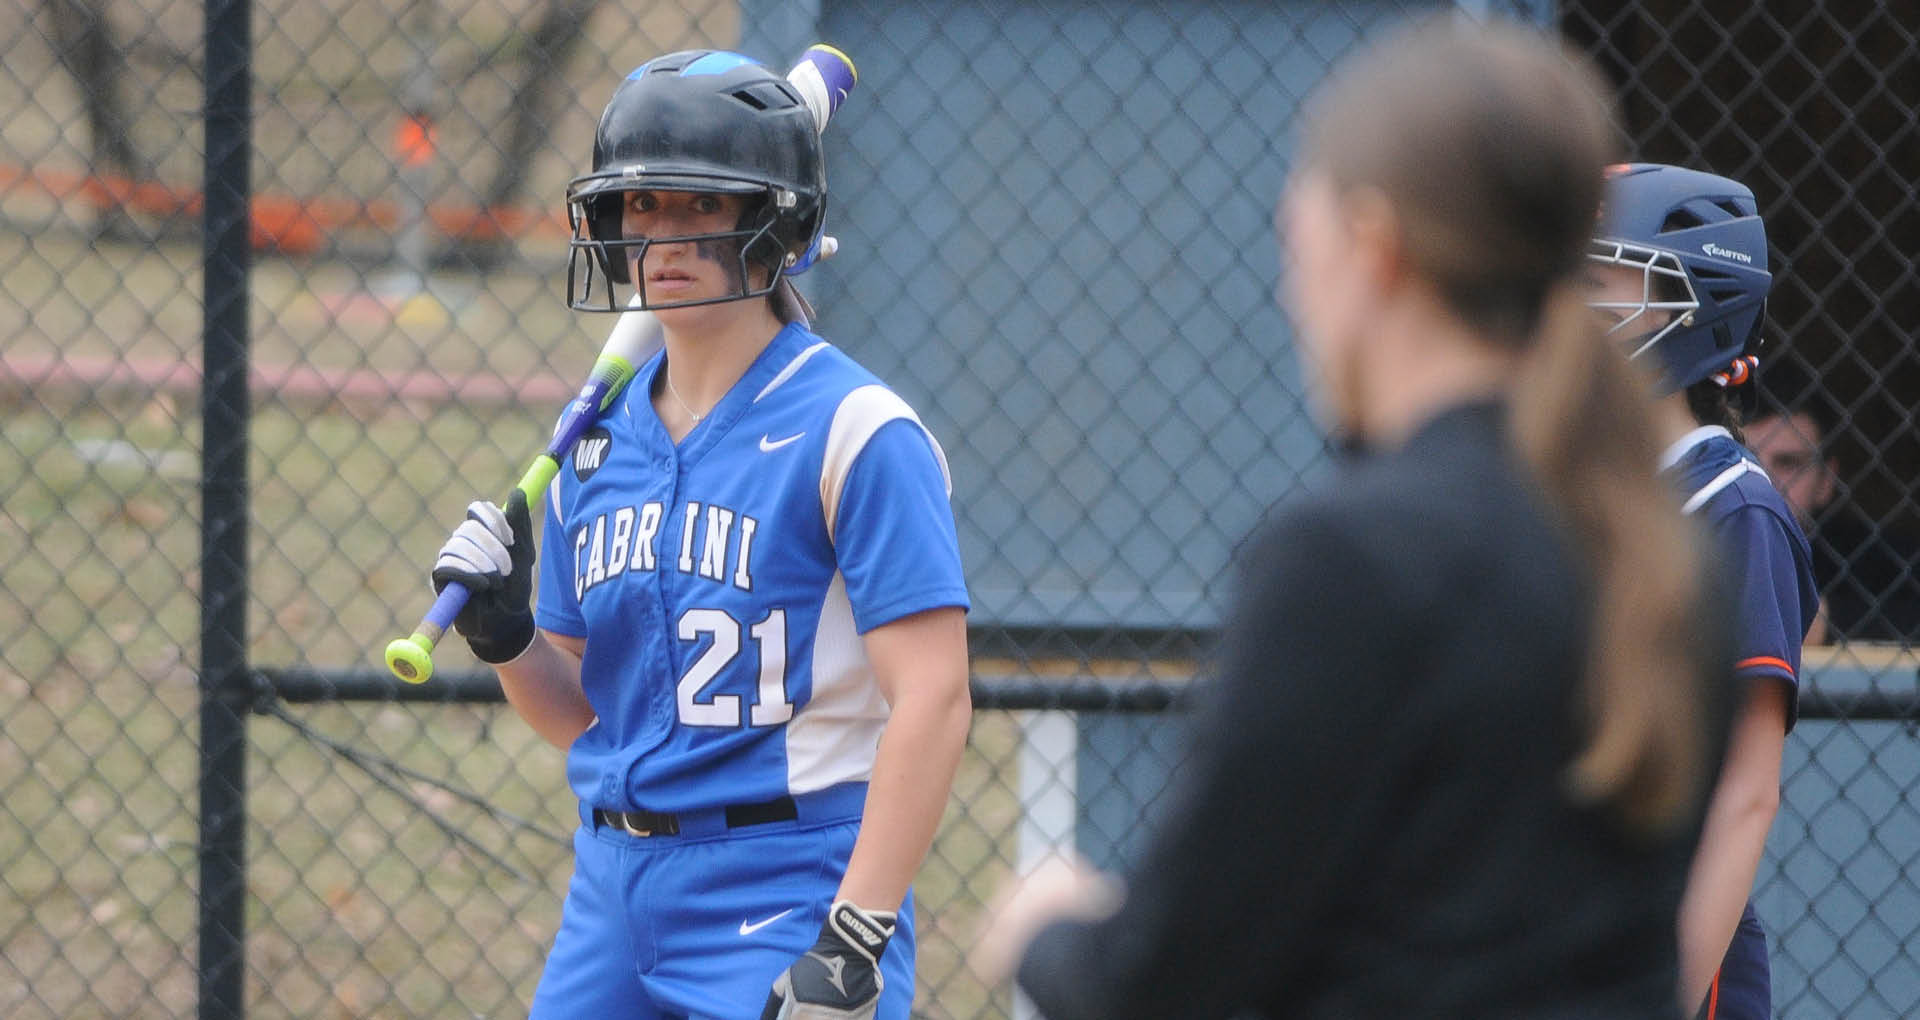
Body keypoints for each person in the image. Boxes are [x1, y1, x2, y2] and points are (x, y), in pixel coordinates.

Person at [971, 18, 1733, 1019]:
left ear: (1374, 250)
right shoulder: (1669, 555)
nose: (1293, 293)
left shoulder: (1349, 565)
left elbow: (1159, 977)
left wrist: (1048, 925)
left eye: (1299, 240)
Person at [429, 50, 971, 1019]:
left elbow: (934, 698)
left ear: (776, 225)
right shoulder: (592, 447)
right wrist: (506, 640)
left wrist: (856, 935)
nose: (663, 238)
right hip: (612, 891)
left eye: (699, 206)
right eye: (642, 208)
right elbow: (584, 719)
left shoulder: (856, 432)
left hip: (791, 884)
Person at [1588, 162, 1821, 1020]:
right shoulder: (1582, 498)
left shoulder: (1736, 509)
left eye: (1596, 283)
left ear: (1693, 306)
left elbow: (1747, 791)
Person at [1744, 358, 1920, 644]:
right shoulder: (1678, 546)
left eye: (1788, 463)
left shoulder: (1873, 562)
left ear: (1826, 481)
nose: (1763, 481)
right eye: (1746, 458)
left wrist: (1827, 621)